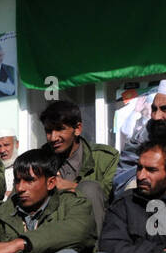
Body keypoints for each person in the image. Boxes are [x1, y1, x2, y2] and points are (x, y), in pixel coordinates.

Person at [40, 99, 118, 234]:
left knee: (90, 188)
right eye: (48, 131)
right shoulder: (39, 160)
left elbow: (107, 197)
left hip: (97, 236)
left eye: (59, 129)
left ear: (77, 129)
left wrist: (72, 187)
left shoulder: (106, 158)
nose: (53, 138)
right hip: (55, 236)